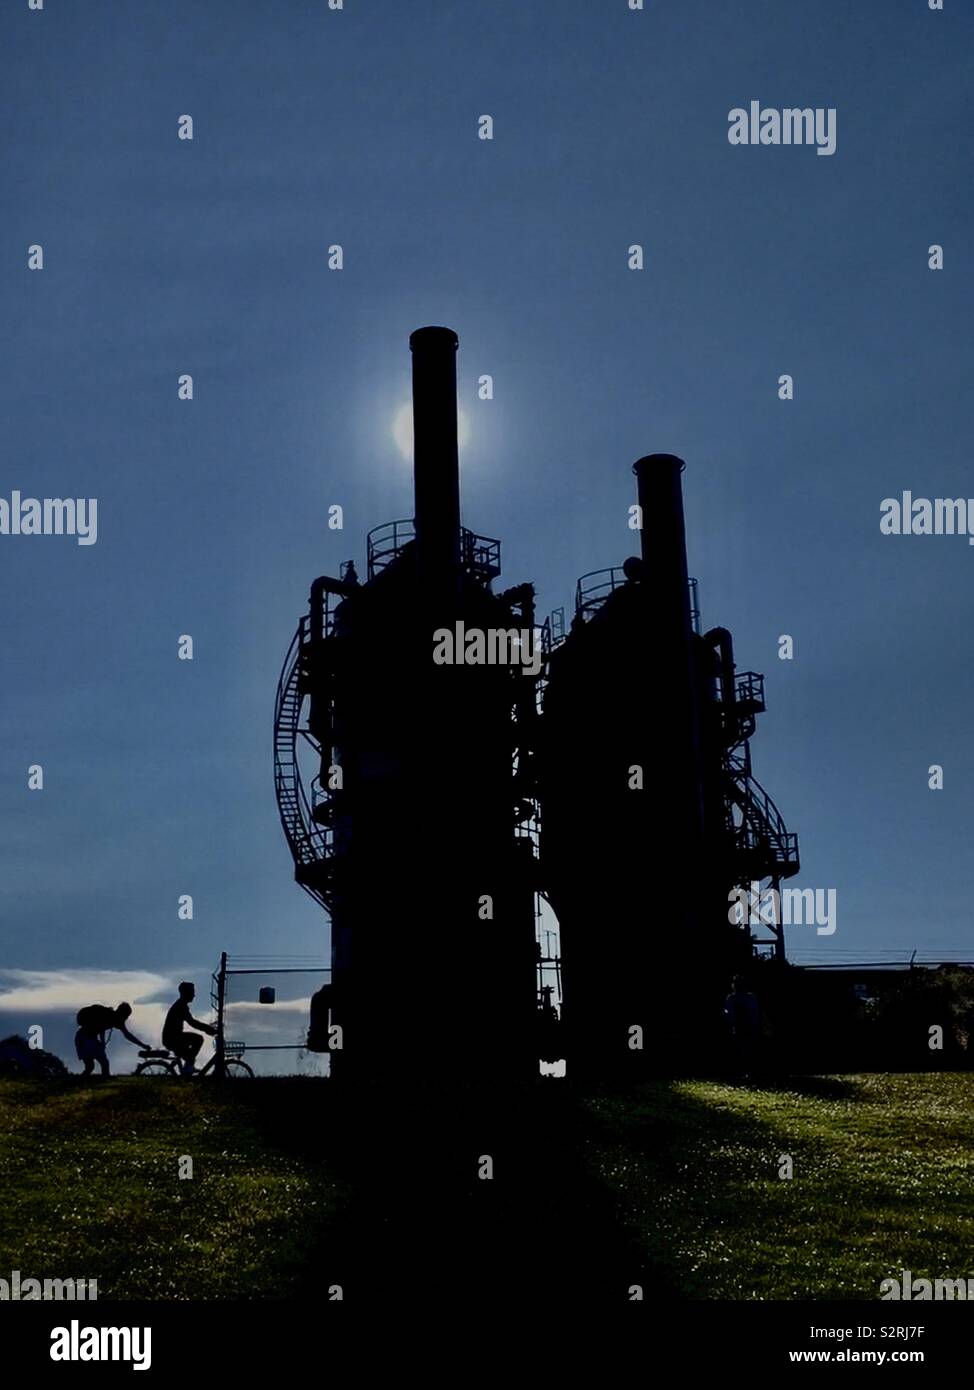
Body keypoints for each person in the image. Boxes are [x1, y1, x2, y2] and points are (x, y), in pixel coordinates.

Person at [75, 1002, 149, 1077]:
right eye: (126, 1016)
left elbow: (128, 1035)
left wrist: (143, 1045)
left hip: (80, 1038)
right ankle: (104, 1080)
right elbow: (102, 1028)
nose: (126, 1018)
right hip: (87, 1038)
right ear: (122, 1013)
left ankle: (80, 1083)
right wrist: (102, 1043)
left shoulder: (116, 1020)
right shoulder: (109, 1015)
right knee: (103, 1063)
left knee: (90, 1067)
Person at [162, 982, 216, 1076]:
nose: (194, 995)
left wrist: (207, 1029)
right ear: (186, 993)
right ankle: (188, 1066)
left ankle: (188, 1066)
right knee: (198, 1039)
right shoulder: (181, 1006)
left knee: (190, 1055)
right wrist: (208, 1029)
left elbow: (192, 1022)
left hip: (172, 1038)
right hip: (173, 1039)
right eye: (192, 992)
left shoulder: (181, 1005)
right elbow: (192, 1022)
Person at [723, 975, 760, 1076]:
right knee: (745, 1049)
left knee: (742, 1049)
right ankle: (745, 1071)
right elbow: (755, 1013)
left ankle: (743, 1071)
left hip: (742, 1027)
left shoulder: (733, 998)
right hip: (745, 1027)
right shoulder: (749, 997)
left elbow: (727, 1013)